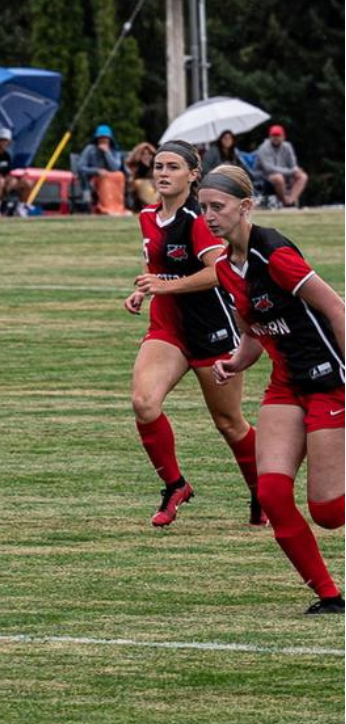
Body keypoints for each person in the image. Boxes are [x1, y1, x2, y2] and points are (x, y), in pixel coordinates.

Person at [200, 164, 344, 614]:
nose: (207, 216)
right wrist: (234, 362)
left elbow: (336, 308)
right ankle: (330, 597)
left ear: (245, 207)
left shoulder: (274, 253)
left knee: (329, 513)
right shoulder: (225, 267)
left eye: (217, 207)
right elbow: (254, 333)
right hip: (286, 385)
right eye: (202, 207)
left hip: (328, 381)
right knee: (273, 494)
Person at [125, 142, 259, 527]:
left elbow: (219, 272)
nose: (163, 173)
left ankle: (261, 492)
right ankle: (175, 485)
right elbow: (159, 266)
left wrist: (164, 286)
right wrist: (143, 289)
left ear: (193, 175)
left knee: (229, 422)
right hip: (167, 328)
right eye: (158, 166)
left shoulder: (198, 220)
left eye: (173, 167)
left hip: (211, 330)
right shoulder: (147, 216)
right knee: (144, 402)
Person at [254, 124, 309, 208]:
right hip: (265, 177)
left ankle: (291, 201)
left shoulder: (288, 146)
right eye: (273, 135)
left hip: (284, 175)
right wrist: (291, 171)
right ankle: (284, 202)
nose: (276, 137)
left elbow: (293, 164)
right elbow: (269, 169)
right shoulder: (263, 148)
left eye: (278, 135)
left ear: (283, 137)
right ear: (270, 136)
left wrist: (296, 170)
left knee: (302, 176)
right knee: (278, 177)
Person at [78, 124, 127, 216]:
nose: (103, 140)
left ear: (110, 139)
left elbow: (115, 167)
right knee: (105, 178)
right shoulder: (89, 150)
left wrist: (107, 153)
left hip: (112, 180)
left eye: (105, 138)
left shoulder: (114, 151)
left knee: (119, 175)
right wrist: (97, 171)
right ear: (96, 139)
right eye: (100, 138)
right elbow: (81, 168)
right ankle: (106, 208)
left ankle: (117, 207)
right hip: (93, 180)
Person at [0, 127, 31, 216]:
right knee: (7, 182)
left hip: (7, 178)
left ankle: (21, 207)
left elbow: (9, 170)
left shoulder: (7, 155)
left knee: (27, 183)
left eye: (6, 141)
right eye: (2, 140)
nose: (4, 143)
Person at [126, 141, 159, 210]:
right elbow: (131, 182)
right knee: (141, 183)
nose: (147, 156)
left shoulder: (155, 167)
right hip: (138, 198)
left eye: (149, 154)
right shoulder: (132, 167)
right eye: (143, 154)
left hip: (156, 192)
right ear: (138, 155)